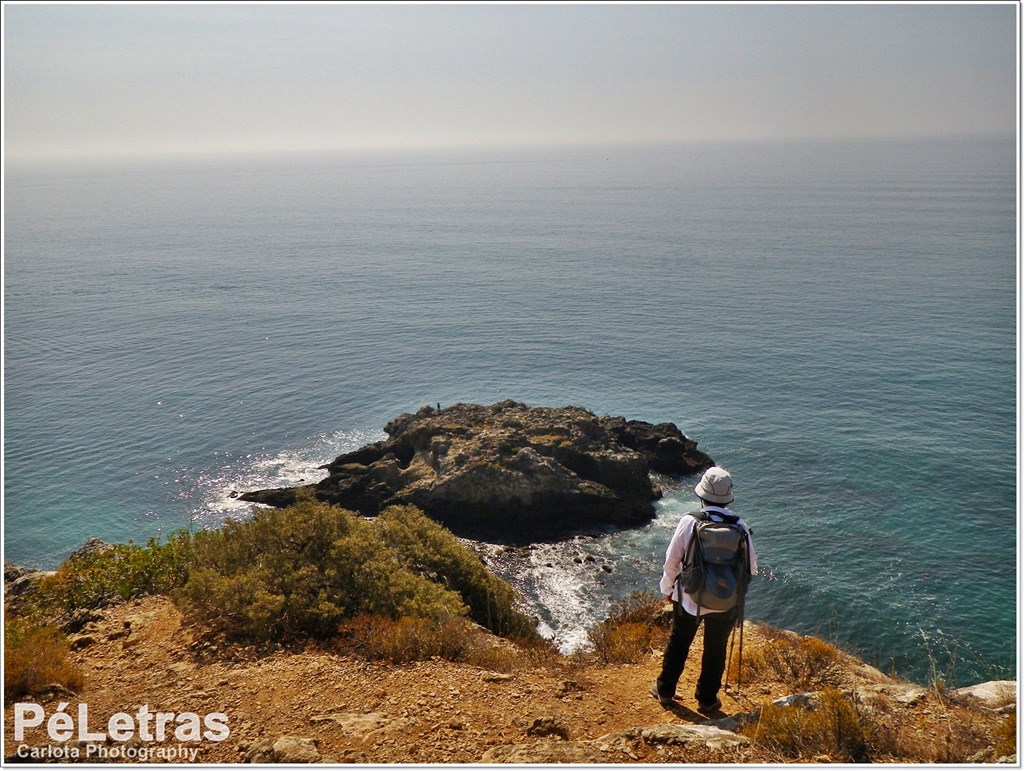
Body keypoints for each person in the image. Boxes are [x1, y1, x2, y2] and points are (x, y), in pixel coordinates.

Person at [651, 466, 757, 712]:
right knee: (716, 646)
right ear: (727, 495)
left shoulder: (689, 521)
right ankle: (707, 698)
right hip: (726, 600)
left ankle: (665, 690)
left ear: (702, 494)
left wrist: (667, 589)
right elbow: (751, 567)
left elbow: (672, 560)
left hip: (690, 595)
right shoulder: (740, 525)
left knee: (679, 641)